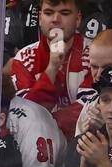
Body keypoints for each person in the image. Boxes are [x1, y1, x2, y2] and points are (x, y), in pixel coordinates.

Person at [10, 0, 97, 138]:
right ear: (39, 18)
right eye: (49, 13)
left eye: (65, 13)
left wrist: (48, 121)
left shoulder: (94, 54)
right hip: (38, 144)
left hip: (81, 145)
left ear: (78, 19)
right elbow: (24, 115)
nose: (56, 20)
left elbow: (90, 111)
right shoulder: (24, 58)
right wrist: (52, 68)